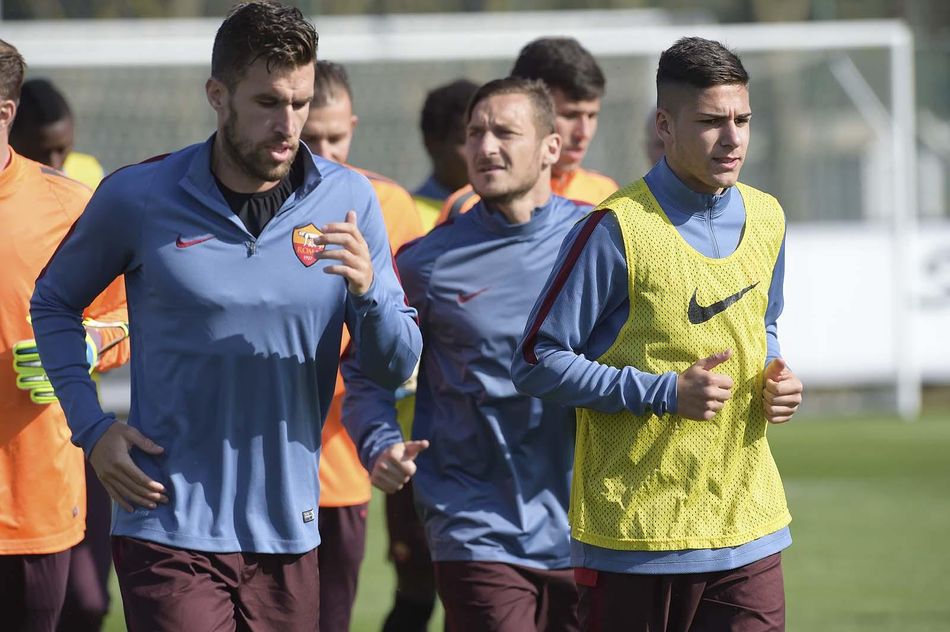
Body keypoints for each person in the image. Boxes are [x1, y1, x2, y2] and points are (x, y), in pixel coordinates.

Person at [29, 3, 421, 631]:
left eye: (300, 102)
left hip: (290, 526)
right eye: (268, 102)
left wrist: (370, 295)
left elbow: (395, 362)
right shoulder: (139, 197)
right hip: (166, 519)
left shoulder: (348, 201)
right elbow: (51, 302)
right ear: (218, 95)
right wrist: (92, 427)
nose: (288, 123)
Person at [511, 37, 804, 632]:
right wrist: (664, 392)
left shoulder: (769, 216)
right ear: (665, 125)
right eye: (711, 122)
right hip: (636, 537)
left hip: (749, 527)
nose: (733, 138)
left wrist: (778, 376)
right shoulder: (614, 228)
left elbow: (763, 326)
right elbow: (536, 359)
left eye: (742, 119)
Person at [344, 77, 589, 632]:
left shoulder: (599, 240)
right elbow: (365, 371)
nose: (484, 147)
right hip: (472, 525)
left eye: (504, 132)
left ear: (552, 146)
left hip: (589, 526)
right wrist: (379, 442)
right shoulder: (428, 261)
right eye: (475, 133)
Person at [0, 39, 130, 632]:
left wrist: (78, 349)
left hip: (34, 501)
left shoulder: (69, 206)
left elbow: (126, 319)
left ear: (5, 112)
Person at [300, 58, 424, 632]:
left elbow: (406, 322)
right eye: (312, 137)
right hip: (263, 449)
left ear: (354, 124)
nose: (326, 149)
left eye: (336, 135)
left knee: (330, 616)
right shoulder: (260, 203)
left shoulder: (388, 205)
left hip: (343, 453)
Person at [380, 76, 478, 632]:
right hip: (412, 438)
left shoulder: (504, 218)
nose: (485, 149)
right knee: (417, 587)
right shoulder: (404, 214)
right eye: (469, 136)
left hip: (482, 437)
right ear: (436, 145)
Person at [439, 36, 617, 221]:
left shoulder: (605, 195)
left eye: (592, 116)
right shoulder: (466, 208)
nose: (584, 133)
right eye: (569, 115)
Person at [9, 78, 105, 189]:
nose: (54, 164)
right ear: (11, 139)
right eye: (42, 153)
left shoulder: (93, 175)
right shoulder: (5, 188)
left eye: (61, 150)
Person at [412, 78, 478, 231]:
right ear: (432, 143)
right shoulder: (408, 213)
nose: (484, 150)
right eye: (465, 141)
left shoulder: (507, 212)